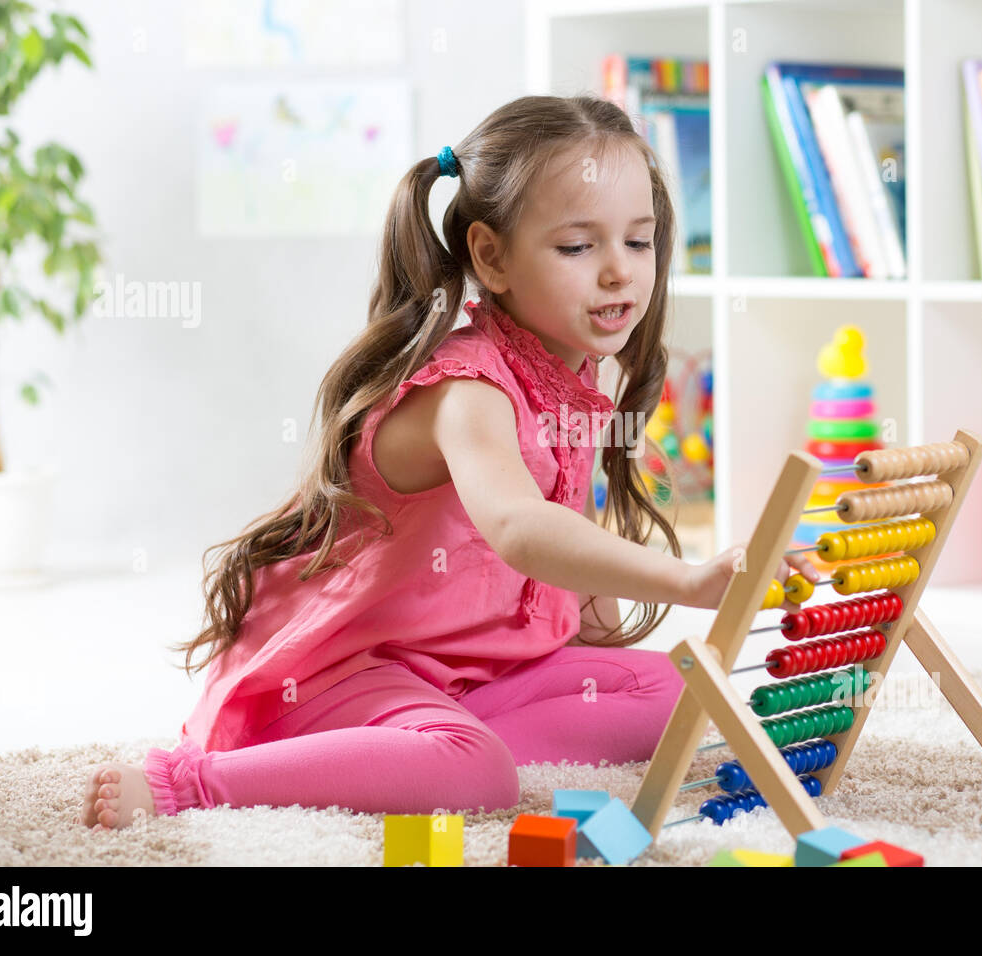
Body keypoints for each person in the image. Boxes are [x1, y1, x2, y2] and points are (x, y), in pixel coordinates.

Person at [80, 95, 812, 831]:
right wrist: (690, 580)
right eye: (578, 247)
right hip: (344, 676)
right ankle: (198, 783)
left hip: (472, 676)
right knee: (480, 775)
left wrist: (616, 645)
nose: (619, 272)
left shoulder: (575, 377)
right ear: (492, 257)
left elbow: (569, 543)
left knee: (688, 692)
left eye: (639, 242)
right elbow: (522, 526)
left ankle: (418, 753)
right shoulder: (468, 389)